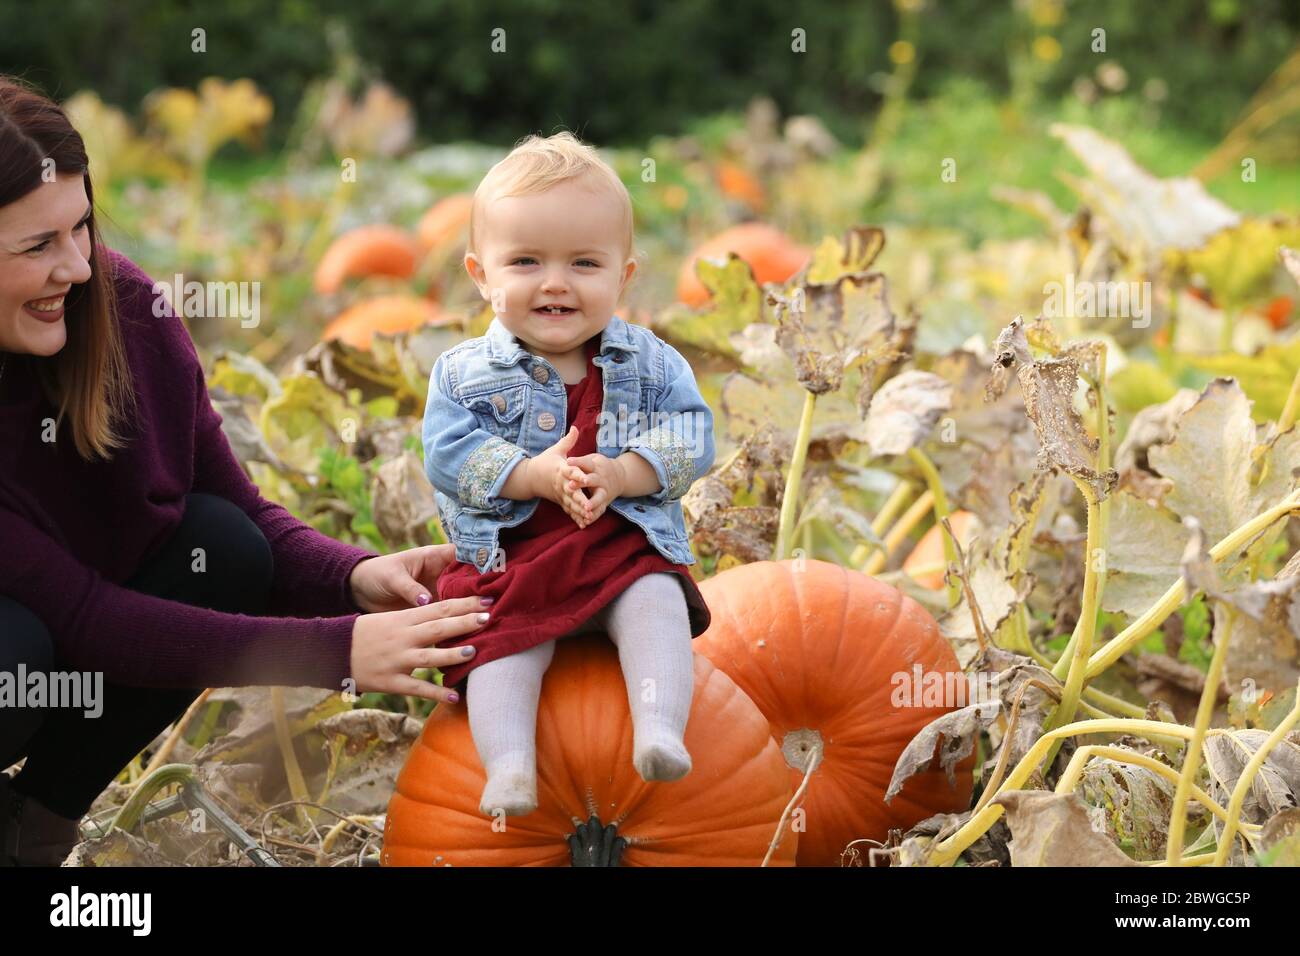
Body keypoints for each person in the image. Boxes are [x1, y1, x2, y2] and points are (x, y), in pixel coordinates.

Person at [0, 76, 489, 866]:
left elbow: (240, 510)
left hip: (59, 629)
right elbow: (90, 622)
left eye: (81, 228)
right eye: (38, 247)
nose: (80, 267)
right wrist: (338, 652)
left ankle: (28, 828)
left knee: (223, 547)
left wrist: (356, 579)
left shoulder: (126, 314)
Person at [422, 131, 715, 819]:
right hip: (514, 560)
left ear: (624, 276)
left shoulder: (654, 364)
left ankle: (660, 729)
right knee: (497, 647)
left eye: (585, 263)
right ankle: (511, 767)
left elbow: (691, 436)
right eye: (525, 260)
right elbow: (446, 450)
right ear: (480, 273)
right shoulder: (463, 376)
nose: (555, 282)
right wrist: (527, 476)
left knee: (657, 601)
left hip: (616, 549)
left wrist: (623, 472)